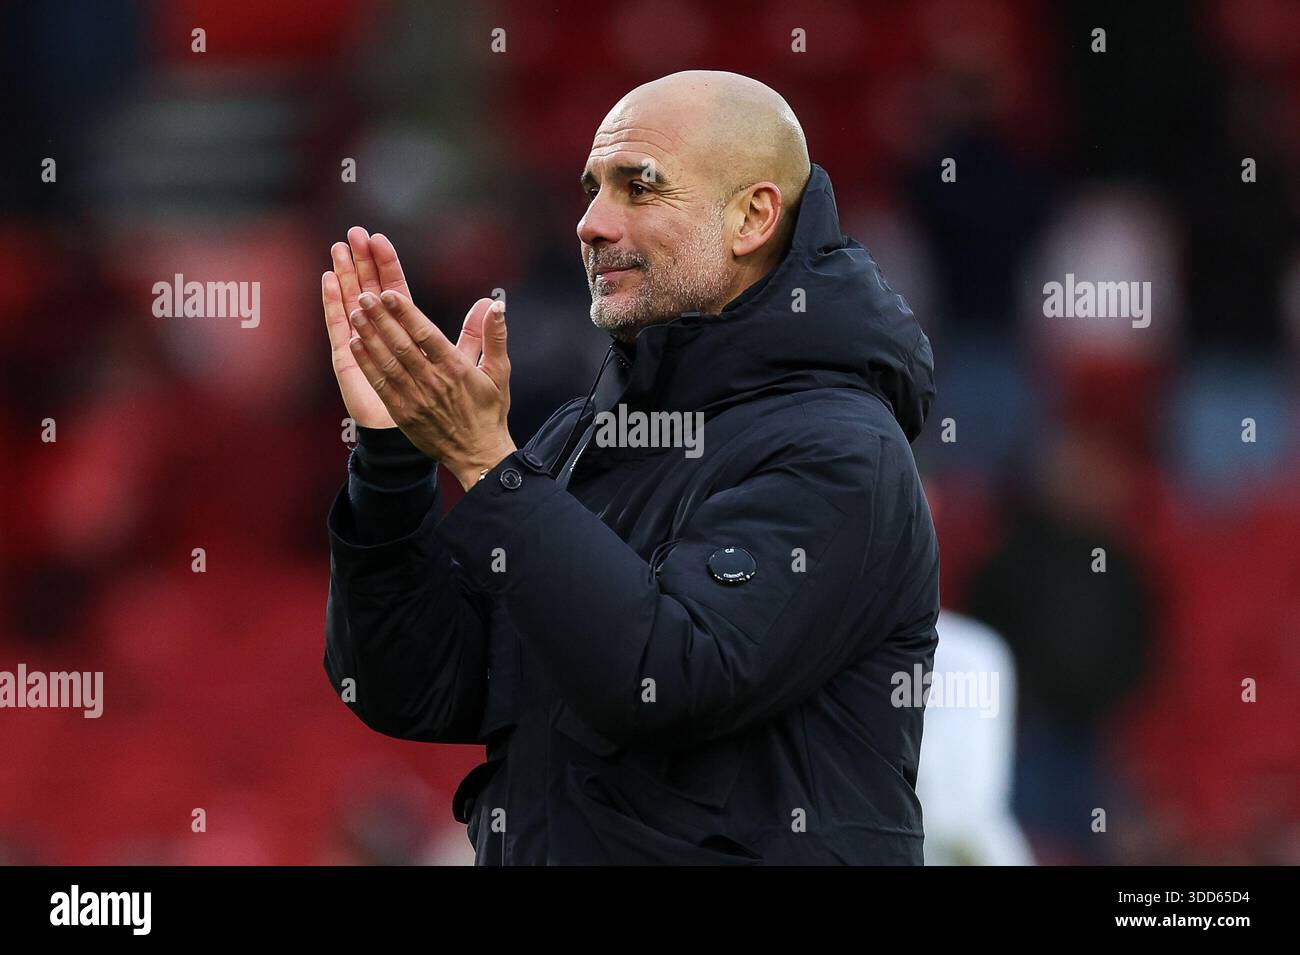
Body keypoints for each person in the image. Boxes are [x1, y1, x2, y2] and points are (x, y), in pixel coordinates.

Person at [321, 70, 939, 864]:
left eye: (637, 187)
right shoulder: (582, 435)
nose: (589, 223)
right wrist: (393, 461)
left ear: (752, 216)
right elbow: (413, 685)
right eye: (590, 189)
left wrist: (485, 461)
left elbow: (663, 677)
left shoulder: (845, 450)